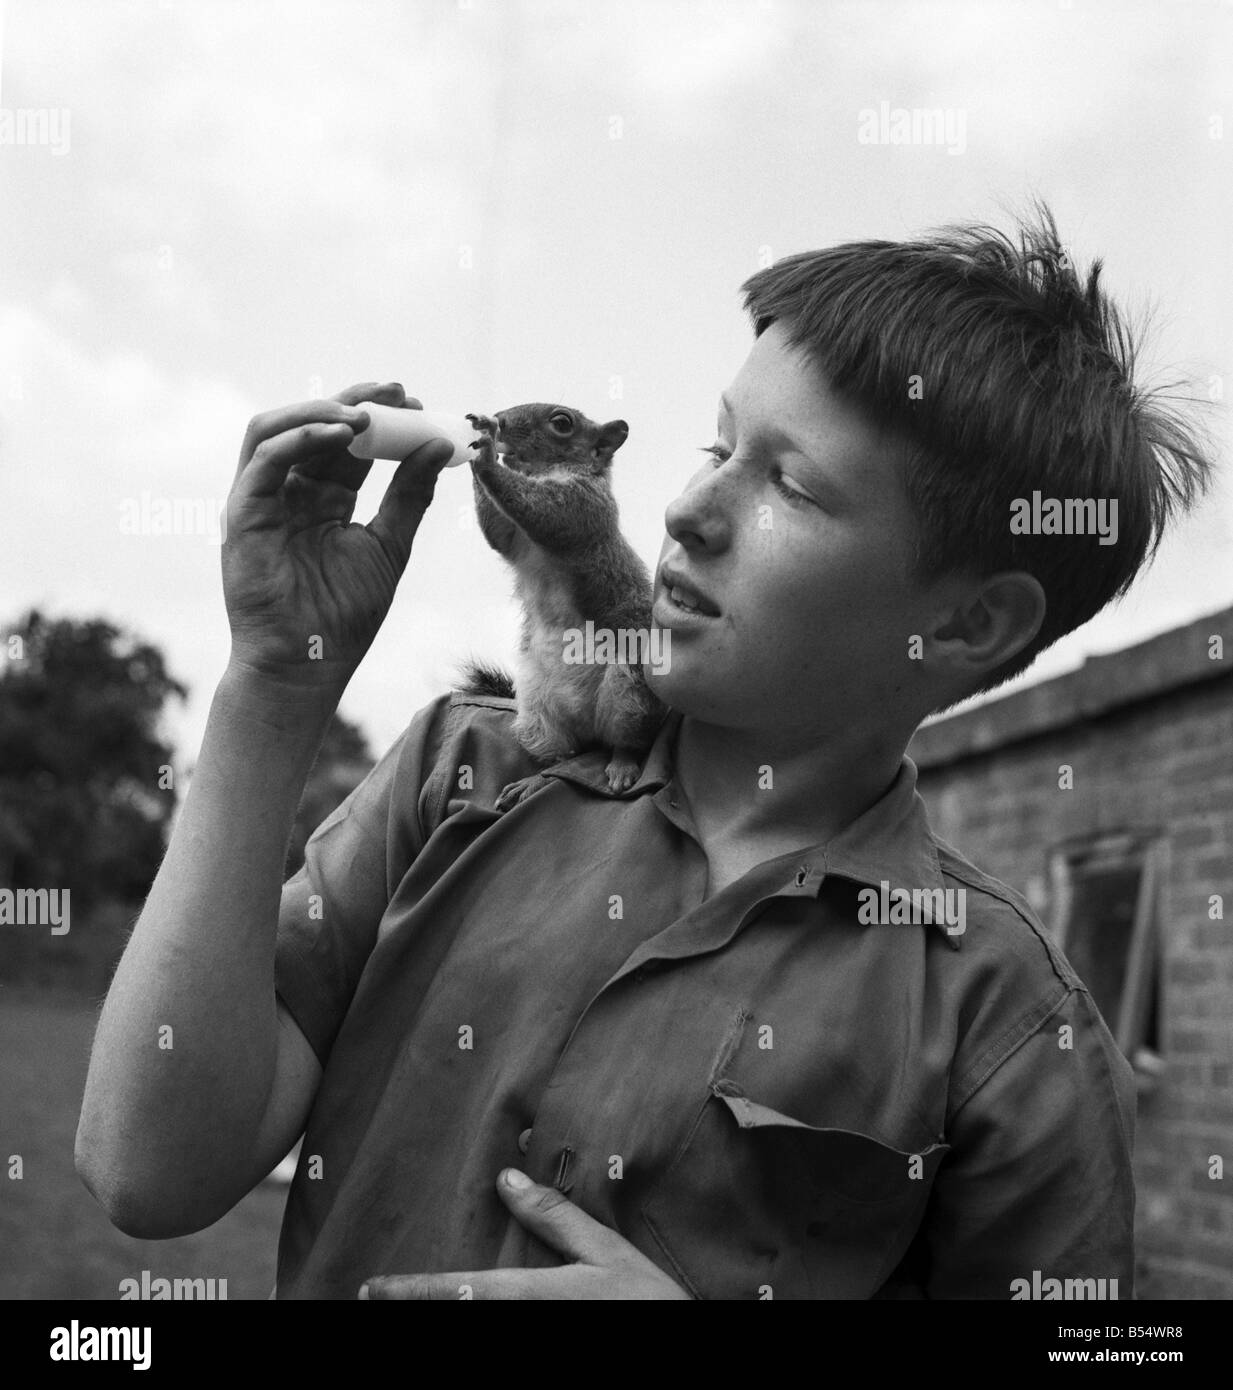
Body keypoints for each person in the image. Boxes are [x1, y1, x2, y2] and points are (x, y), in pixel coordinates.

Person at [76, 205, 1212, 1299]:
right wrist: (274, 683)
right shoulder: (460, 776)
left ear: (968, 626)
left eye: (790, 485)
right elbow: (146, 1167)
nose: (685, 509)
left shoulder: (1003, 1016)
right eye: (719, 443)